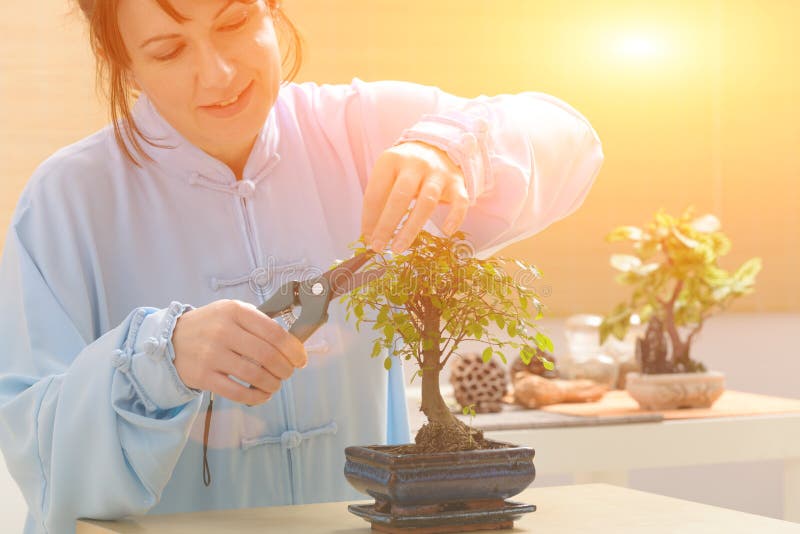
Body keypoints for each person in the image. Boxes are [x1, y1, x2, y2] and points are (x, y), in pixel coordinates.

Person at [0, 0, 603, 532]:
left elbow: (571, 143)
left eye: (234, 21)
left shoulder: (361, 128)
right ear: (126, 64)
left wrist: (449, 144)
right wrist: (162, 357)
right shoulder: (68, 200)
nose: (218, 73)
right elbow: (43, 459)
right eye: (168, 50)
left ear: (272, 10)